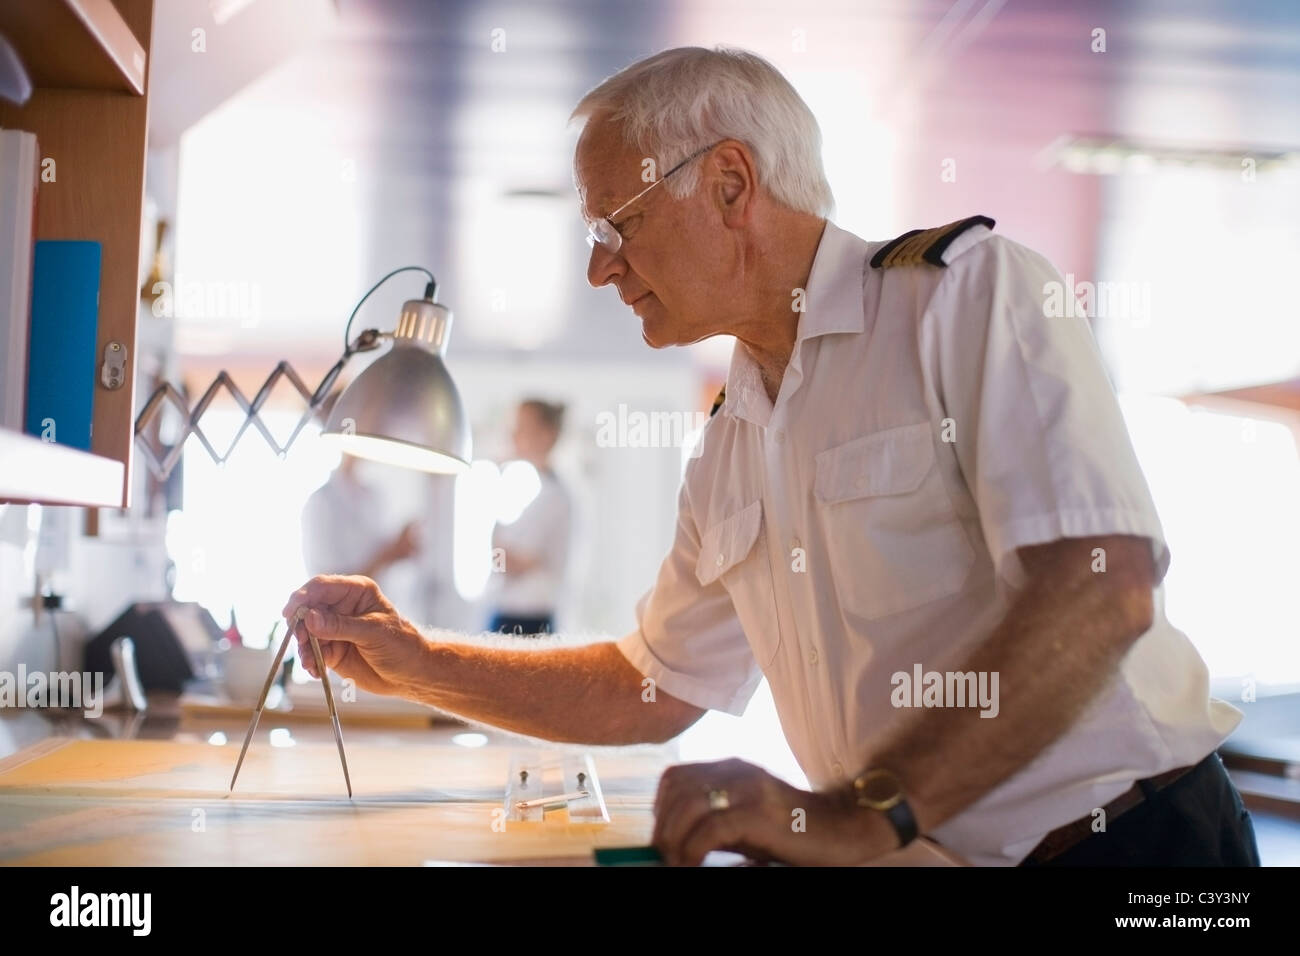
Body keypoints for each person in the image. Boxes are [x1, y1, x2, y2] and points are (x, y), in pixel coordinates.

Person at [283, 46, 1258, 867]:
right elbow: (653, 682)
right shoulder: (731, 436)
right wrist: (414, 663)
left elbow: (1102, 589)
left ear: (731, 185)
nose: (598, 267)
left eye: (613, 224)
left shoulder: (964, 297)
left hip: (1131, 846)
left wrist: (859, 812)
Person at [488, 399, 573, 636]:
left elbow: (514, 562)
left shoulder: (554, 497)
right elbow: (502, 559)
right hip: (513, 615)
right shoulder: (529, 489)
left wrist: (495, 551)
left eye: (522, 427)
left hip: (526, 622)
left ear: (547, 436)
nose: (513, 435)